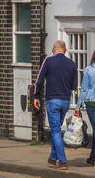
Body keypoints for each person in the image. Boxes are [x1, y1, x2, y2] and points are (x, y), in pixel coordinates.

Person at [33, 40, 78, 170]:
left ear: (54, 49)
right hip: (65, 101)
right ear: (65, 50)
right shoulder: (72, 64)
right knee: (56, 130)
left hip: (52, 100)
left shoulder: (48, 61)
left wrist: (36, 96)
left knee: (56, 131)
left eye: (52, 50)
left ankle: (62, 161)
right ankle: (53, 158)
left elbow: (39, 80)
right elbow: (74, 86)